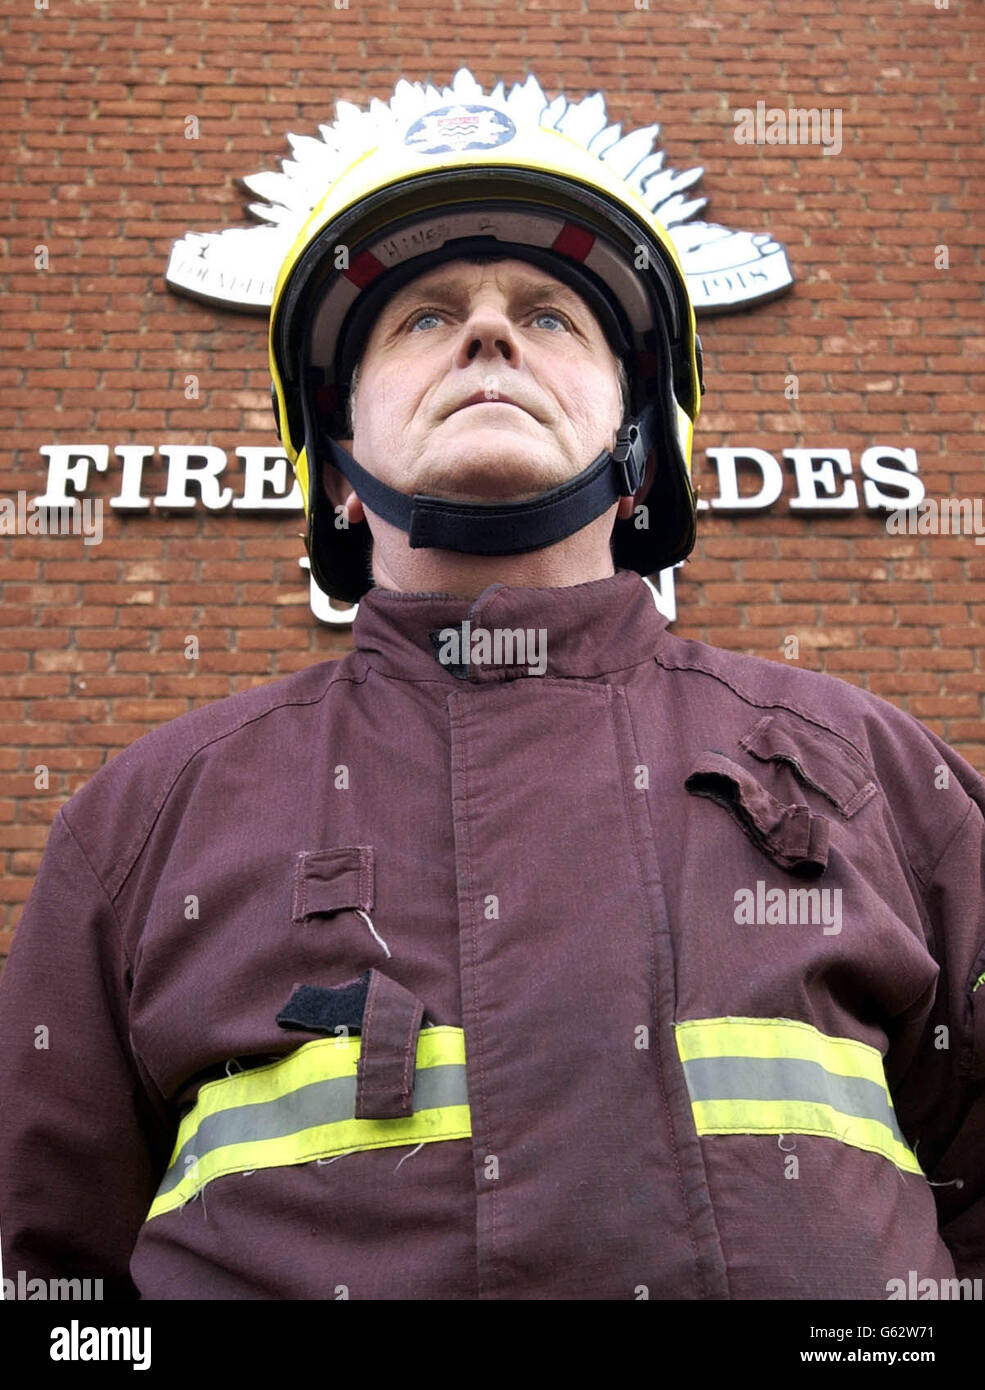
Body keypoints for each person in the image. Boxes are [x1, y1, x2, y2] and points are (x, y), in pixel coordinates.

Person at [1, 83, 983, 1303]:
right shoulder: (144, 822)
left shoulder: (884, 780)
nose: (486, 337)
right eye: (420, 317)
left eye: (549, 314)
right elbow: (45, 1290)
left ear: (641, 455)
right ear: (336, 464)